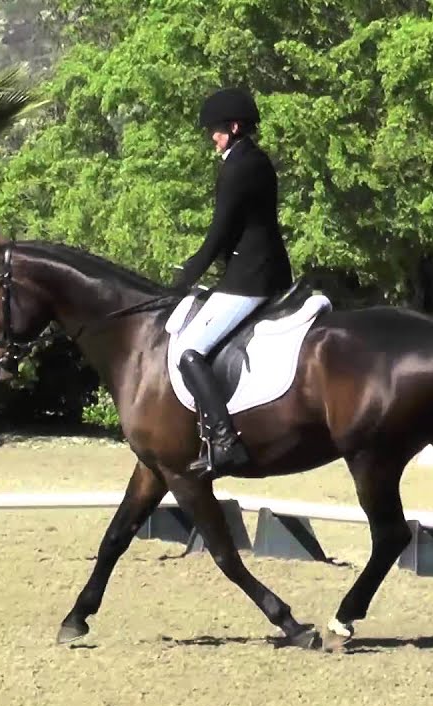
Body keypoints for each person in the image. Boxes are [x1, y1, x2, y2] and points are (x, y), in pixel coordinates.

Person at [171, 87, 294, 480]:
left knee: (189, 349)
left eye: (217, 130)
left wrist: (188, 273)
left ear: (235, 127)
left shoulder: (239, 166)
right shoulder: (251, 159)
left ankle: (225, 442)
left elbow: (220, 231)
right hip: (259, 270)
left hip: (251, 279)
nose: (213, 136)